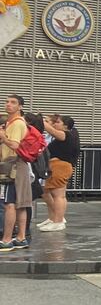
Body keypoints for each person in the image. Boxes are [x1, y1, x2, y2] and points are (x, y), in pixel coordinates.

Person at [1, 94, 31, 251]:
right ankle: (21, 238)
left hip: (12, 167)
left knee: (9, 204)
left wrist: (3, 138)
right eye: (7, 102)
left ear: (20, 107)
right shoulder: (12, 122)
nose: (8, 105)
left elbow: (14, 144)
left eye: (13, 102)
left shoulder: (17, 124)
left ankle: (6, 240)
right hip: (18, 166)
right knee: (20, 204)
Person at [40, 113, 79, 232]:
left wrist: (42, 122)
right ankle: (54, 219)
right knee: (49, 192)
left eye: (58, 122)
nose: (55, 124)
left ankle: (58, 221)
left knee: (58, 195)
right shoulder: (65, 136)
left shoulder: (65, 135)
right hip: (55, 166)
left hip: (60, 166)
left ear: (65, 126)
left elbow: (52, 131)